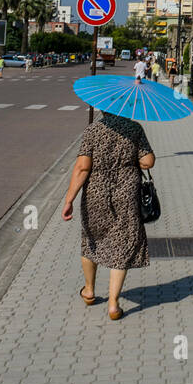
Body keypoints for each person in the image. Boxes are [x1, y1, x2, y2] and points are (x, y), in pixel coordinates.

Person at [62, 111, 155, 321]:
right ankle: (113, 304)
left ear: (104, 108)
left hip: (96, 193)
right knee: (122, 244)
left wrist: (69, 200)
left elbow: (83, 167)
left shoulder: (92, 130)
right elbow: (148, 161)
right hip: (126, 193)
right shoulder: (134, 128)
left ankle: (89, 290)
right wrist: (131, 160)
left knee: (91, 239)